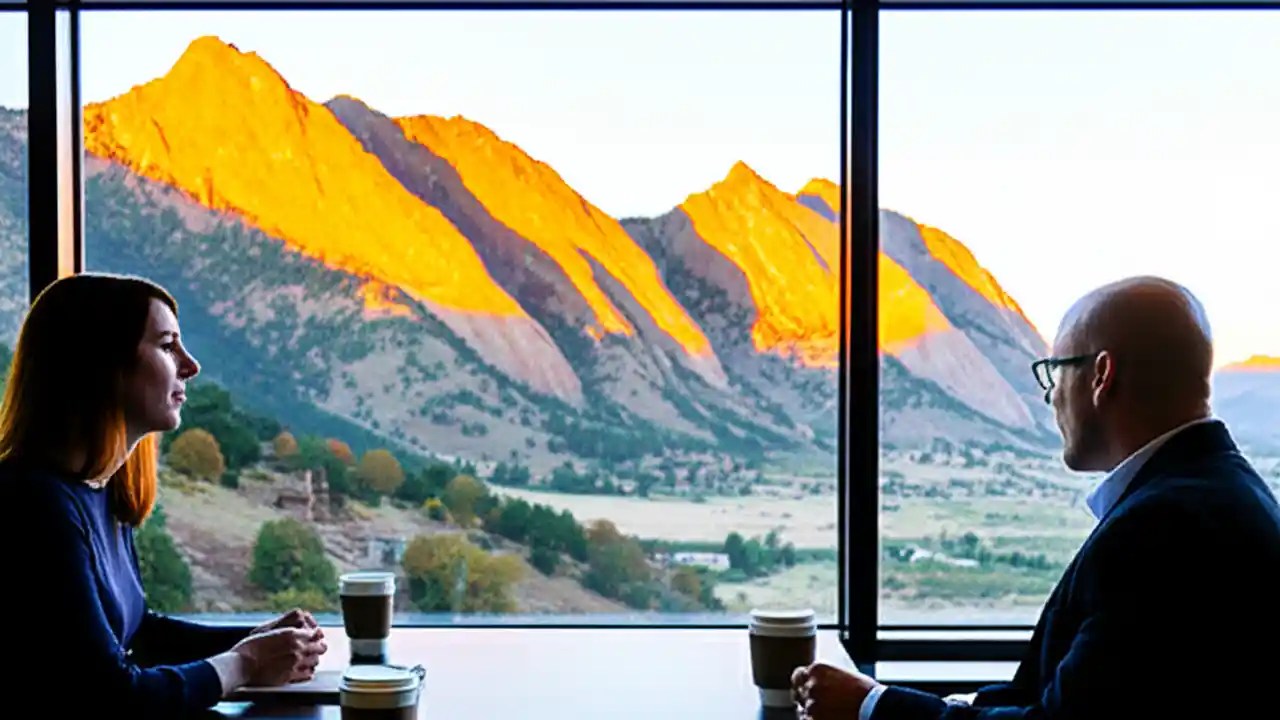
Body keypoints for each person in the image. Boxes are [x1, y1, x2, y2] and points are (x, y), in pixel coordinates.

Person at [792, 275, 1280, 719]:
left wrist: (871, 706)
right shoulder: (1221, 495)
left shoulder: (1162, 528)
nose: (1049, 397)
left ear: (1100, 376)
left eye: (1055, 371)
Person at [0, 273, 328, 718]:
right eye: (168, 345)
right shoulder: (34, 504)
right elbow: (113, 694)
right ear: (103, 365)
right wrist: (246, 663)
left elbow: (136, 634)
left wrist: (256, 639)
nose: (190, 366)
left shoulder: (98, 490)